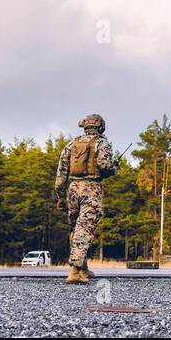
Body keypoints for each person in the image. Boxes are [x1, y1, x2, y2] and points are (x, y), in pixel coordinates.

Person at [53, 114, 118, 284]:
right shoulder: (102, 143)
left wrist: (61, 197)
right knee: (85, 228)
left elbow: (61, 175)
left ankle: (83, 268)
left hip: (73, 189)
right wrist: (114, 169)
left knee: (75, 228)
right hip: (91, 189)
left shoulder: (71, 144)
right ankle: (74, 271)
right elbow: (105, 166)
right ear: (100, 127)